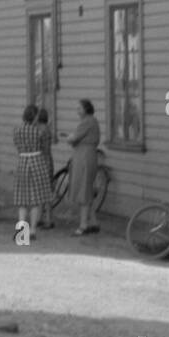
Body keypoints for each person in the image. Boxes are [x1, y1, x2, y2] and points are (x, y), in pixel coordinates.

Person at [12, 103, 51, 238]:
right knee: (35, 199)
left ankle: (22, 230)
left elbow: (17, 146)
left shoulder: (17, 130)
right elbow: (45, 150)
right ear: (34, 117)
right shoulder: (39, 131)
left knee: (22, 200)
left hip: (22, 162)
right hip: (37, 162)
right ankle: (32, 230)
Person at [67, 97, 102, 235]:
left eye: (79, 108)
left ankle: (83, 225)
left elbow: (73, 138)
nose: (77, 111)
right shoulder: (93, 121)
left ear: (86, 109)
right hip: (89, 154)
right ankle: (93, 222)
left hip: (84, 156)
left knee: (83, 189)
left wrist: (69, 137)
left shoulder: (86, 122)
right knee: (86, 188)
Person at [35, 108, 55, 229]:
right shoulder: (46, 129)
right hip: (47, 161)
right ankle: (41, 217)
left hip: (43, 161)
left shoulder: (41, 130)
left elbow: (41, 147)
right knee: (43, 192)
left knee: (45, 192)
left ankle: (48, 219)